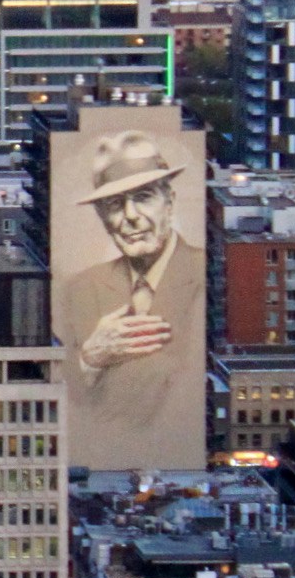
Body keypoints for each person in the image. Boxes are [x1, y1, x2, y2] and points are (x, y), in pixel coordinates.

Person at [58, 127, 203, 458]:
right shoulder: (80, 288)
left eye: (143, 197)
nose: (131, 217)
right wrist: (89, 359)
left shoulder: (203, 272)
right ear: (103, 218)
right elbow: (70, 401)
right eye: (115, 204)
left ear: (170, 203)